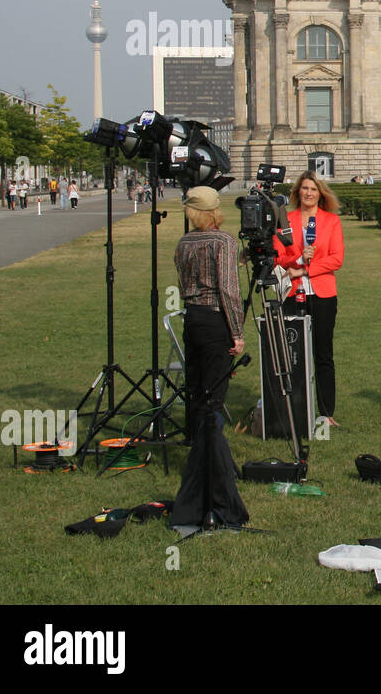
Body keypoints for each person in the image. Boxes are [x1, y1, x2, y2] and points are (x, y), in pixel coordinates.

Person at [168, 186, 248, 529]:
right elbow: (229, 290)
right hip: (216, 321)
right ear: (216, 211)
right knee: (215, 401)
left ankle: (209, 465)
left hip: (192, 320)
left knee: (199, 397)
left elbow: (192, 279)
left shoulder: (184, 243)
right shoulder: (224, 242)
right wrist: (238, 332)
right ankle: (214, 481)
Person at [274, 171, 345, 426]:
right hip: (292, 292)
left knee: (323, 353)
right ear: (297, 192)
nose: (308, 193)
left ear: (320, 193)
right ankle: (294, 410)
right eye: (304, 188)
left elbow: (336, 259)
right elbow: (278, 255)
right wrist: (297, 259)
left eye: (313, 189)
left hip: (323, 293)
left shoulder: (331, 221)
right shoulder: (286, 219)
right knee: (292, 353)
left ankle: (326, 413)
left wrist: (306, 268)